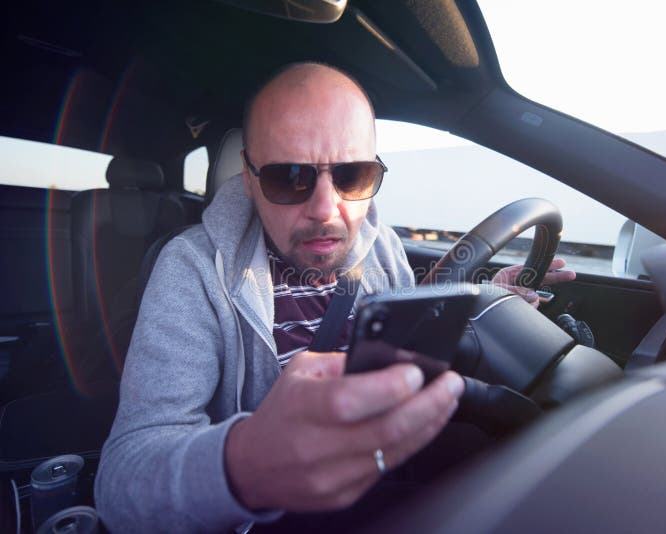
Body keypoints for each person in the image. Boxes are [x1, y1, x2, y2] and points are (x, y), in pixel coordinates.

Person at [94, 62, 575, 532]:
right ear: (249, 176)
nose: (326, 210)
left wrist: (485, 299)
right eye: (290, 177)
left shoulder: (381, 245)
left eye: (352, 176)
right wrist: (247, 464)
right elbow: (122, 481)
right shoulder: (193, 268)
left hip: (395, 465)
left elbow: (410, 330)